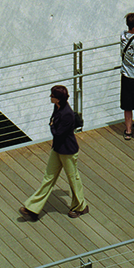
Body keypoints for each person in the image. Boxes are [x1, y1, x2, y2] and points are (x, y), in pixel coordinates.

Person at [19, 86, 87, 219]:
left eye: (52, 95)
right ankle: (33, 208)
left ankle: (81, 206)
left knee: (73, 179)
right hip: (57, 149)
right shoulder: (58, 107)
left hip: (67, 151)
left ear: (58, 98)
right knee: (48, 178)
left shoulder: (66, 114)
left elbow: (58, 132)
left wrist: (51, 125)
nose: (50, 97)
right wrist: (53, 125)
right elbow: (54, 125)